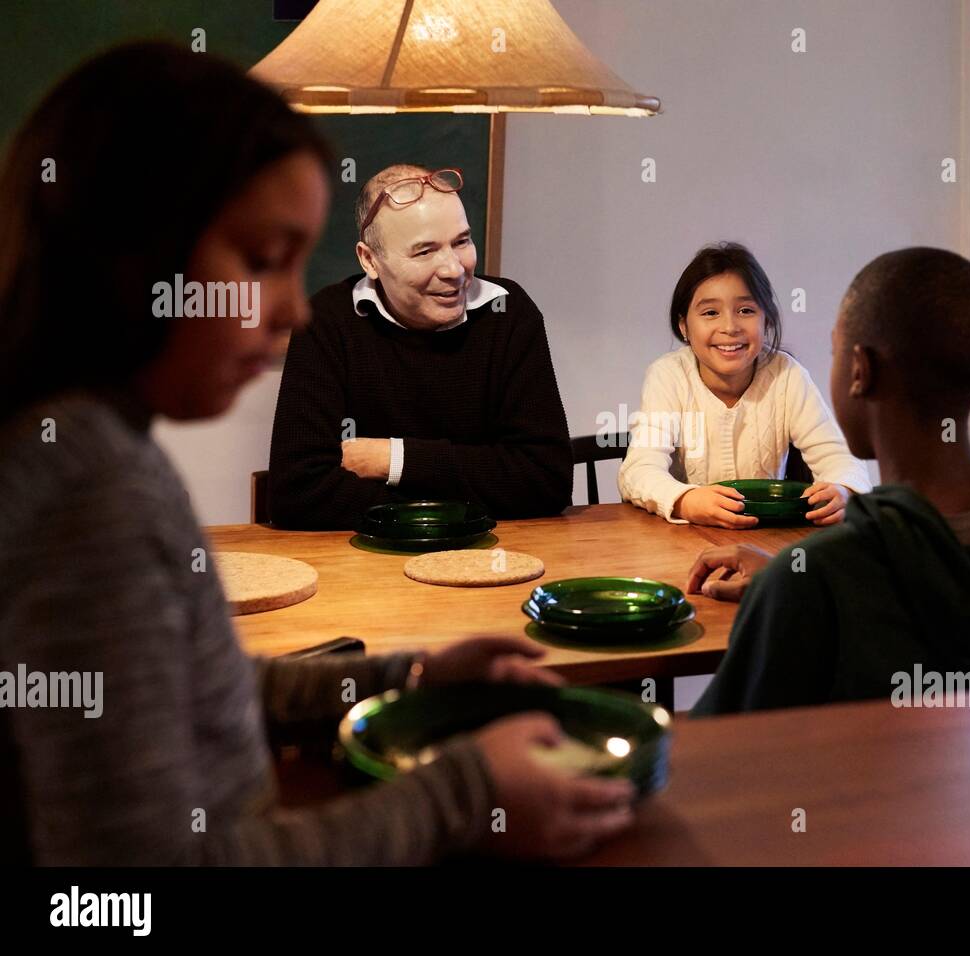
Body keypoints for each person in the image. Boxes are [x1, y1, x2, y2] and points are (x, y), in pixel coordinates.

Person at [0, 41, 631, 865]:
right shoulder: (86, 495)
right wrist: (467, 793)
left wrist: (408, 681)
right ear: (137, 251)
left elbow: (196, 688)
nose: (297, 309)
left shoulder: (86, 447)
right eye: (264, 260)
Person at [686, 247, 970, 715]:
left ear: (861, 371)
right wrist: (790, 577)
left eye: (835, 351)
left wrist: (791, 586)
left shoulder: (818, 582)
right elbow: (931, 586)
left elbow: (714, 748)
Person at [268, 162, 572, 530]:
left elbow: (546, 481)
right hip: (364, 568)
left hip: (492, 561)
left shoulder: (508, 311)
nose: (454, 269)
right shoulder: (327, 321)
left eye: (461, 241)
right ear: (370, 260)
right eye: (425, 251)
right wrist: (468, 492)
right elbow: (297, 494)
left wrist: (392, 459)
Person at [617, 242, 871, 528]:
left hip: (768, 543)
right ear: (684, 327)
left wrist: (843, 490)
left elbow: (839, 458)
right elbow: (638, 470)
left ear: (767, 320)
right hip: (690, 541)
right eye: (710, 313)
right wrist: (686, 501)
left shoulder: (786, 375)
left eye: (746, 310)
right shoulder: (669, 376)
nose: (730, 327)